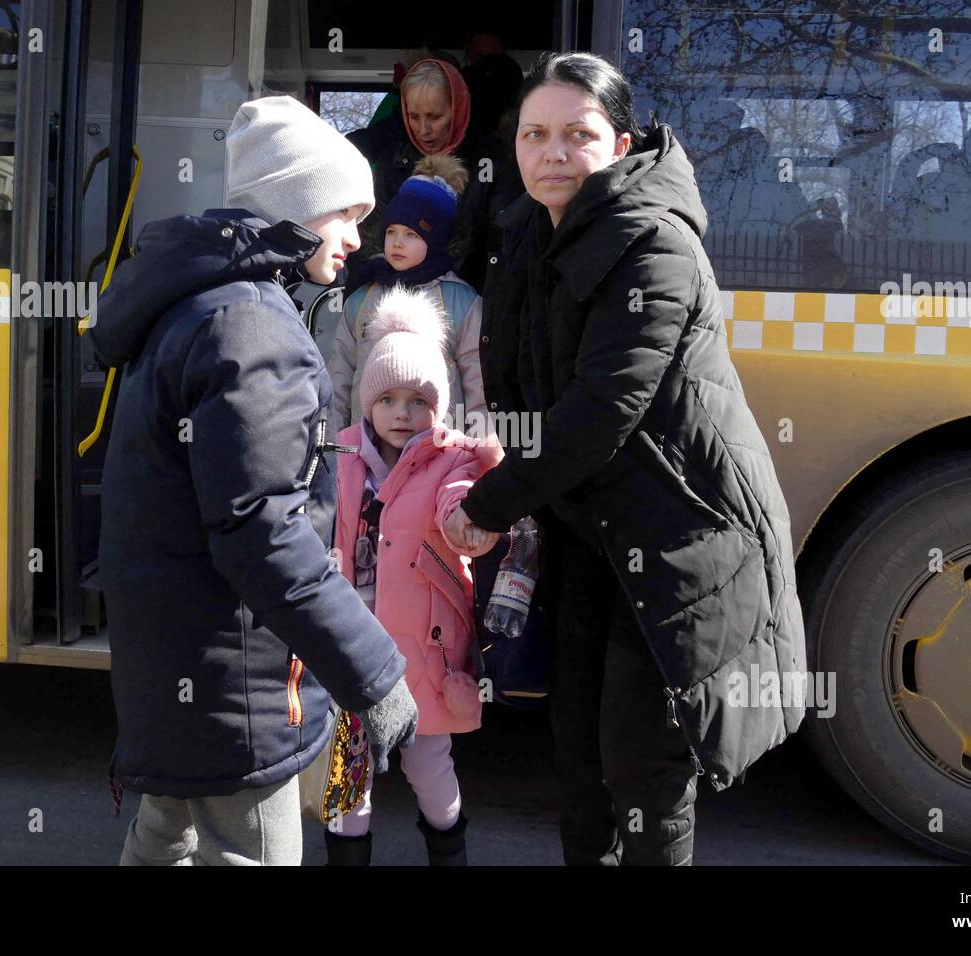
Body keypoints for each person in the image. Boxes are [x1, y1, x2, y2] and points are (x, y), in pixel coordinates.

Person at [446, 52, 808, 866]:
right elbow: (517, 383)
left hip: (677, 532)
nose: (552, 153)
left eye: (577, 134)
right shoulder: (528, 233)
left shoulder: (654, 243)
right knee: (577, 754)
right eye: (534, 135)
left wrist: (489, 504)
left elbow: (602, 410)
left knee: (641, 765)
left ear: (619, 143)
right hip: (590, 531)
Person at [91, 95, 420, 866]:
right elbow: (264, 535)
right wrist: (374, 674)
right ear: (297, 205)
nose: (358, 237)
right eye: (346, 213)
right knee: (253, 852)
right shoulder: (252, 326)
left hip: (176, 659)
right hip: (235, 675)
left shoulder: (194, 304)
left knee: (164, 835)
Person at [324, 285, 500, 866]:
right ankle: (346, 856)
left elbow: (459, 504)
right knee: (348, 777)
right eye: (388, 398)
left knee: (429, 768)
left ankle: (449, 850)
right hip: (353, 648)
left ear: (439, 407)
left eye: (419, 400)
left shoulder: (453, 459)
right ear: (366, 403)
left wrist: (468, 526)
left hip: (424, 652)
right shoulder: (343, 457)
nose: (403, 413)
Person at [327, 153, 486, 438]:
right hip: (367, 449)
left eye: (412, 234)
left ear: (435, 240)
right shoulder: (361, 300)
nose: (398, 242)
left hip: (439, 451)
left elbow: (478, 386)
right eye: (392, 232)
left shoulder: (462, 303)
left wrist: (478, 450)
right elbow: (339, 380)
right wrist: (336, 447)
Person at [346, 57, 515, 292]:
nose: (423, 130)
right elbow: (370, 245)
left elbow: (501, 248)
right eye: (414, 116)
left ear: (458, 109)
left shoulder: (494, 159)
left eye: (434, 117)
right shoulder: (393, 158)